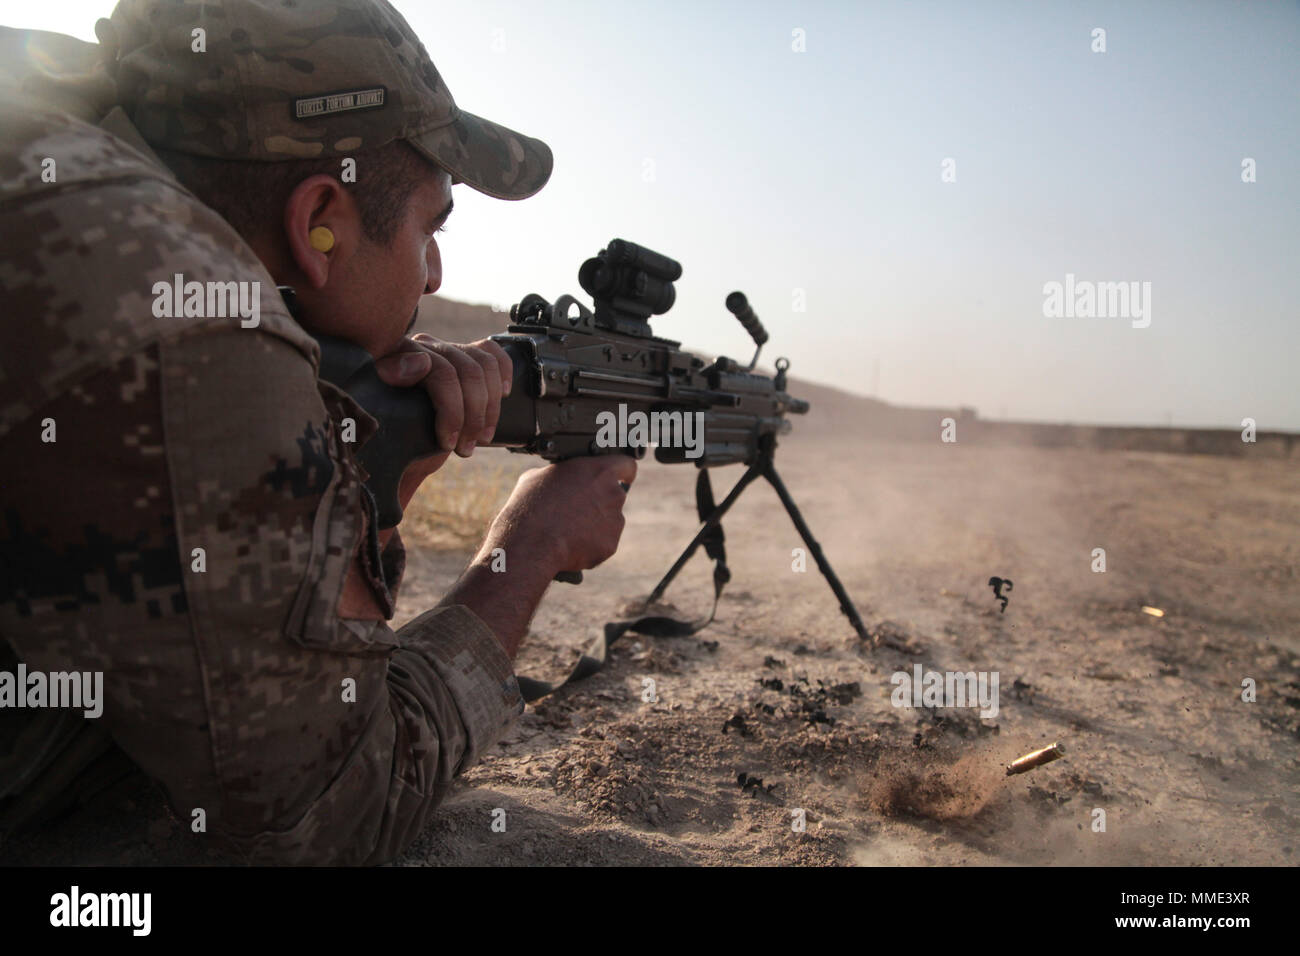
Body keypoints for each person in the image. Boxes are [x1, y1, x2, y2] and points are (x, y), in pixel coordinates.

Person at [0, 0, 635, 864]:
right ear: (317, 222)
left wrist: (384, 464)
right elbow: (320, 820)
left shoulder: (61, 141)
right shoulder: (190, 321)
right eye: (431, 226)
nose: (436, 271)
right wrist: (530, 548)